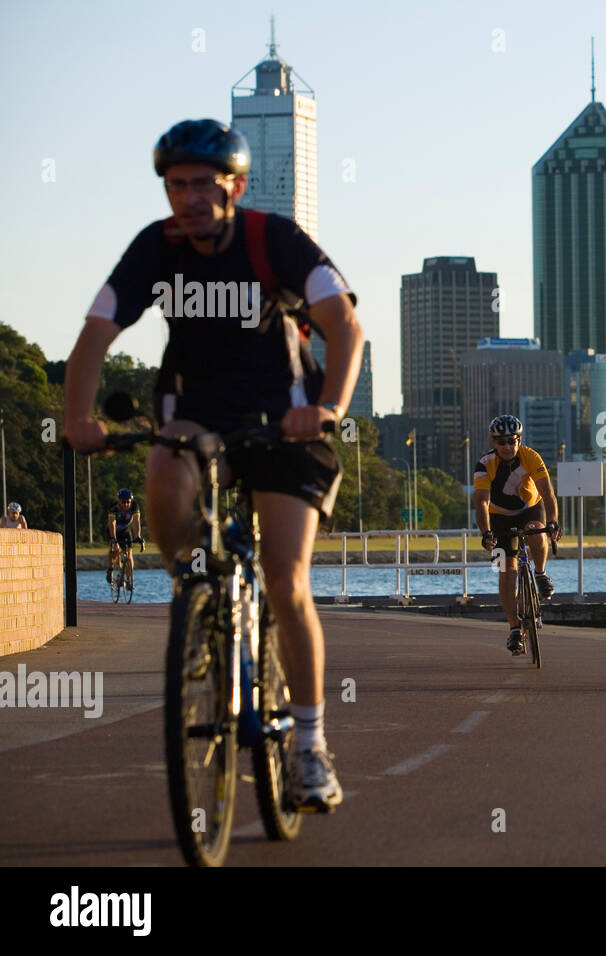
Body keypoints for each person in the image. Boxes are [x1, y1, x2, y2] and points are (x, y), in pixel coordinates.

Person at [62, 118, 364, 812]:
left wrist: (327, 408)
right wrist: (80, 419)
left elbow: (344, 322)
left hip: (283, 417)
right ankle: (198, 592)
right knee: (167, 473)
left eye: (203, 184)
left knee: (287, 581)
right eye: (176, 185)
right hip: (194, 408)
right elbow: (94, 336)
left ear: (235, 186)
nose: (189, 198)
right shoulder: (155, 248)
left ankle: (311, 748)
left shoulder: (272, 240)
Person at [474, 415, 560, 655]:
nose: (507, 447)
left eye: (512, 441)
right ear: (494, 443)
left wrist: (553, 522)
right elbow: (481, 503)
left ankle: (540, 573)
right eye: (502, 442)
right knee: (506, 571)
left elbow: (547, 492)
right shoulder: (484, 464)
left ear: (519, 440)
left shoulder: (530, 456)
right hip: (499, 516)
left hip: (530, 507)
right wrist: (486, 532)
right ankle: (514, 629)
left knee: (535, 530)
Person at [105, 488, 143, 591]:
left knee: (129, 554)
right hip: (113, 531)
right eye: (123, 502)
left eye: (128, 502)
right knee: (114, 550)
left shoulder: (134, 506)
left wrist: (137, 536)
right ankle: (110, 569)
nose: (126, 504)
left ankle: (129, 579)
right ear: (119, 500)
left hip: (125, 531)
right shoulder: (113, 507)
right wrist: (113, 539)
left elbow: (136, 522)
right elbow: (112, 523)